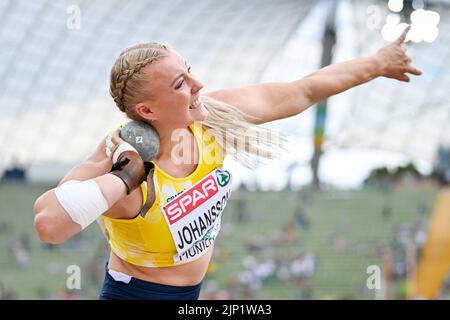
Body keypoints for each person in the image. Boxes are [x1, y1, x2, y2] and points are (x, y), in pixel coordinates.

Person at [33, 26, 421, 300]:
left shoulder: (212, 119)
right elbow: (49, 223)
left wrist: (379, 63)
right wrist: (127, 176)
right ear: (146, 109)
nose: (197, 85)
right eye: (179, 83)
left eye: (190, 70)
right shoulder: (117, 155)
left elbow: (303, 90)